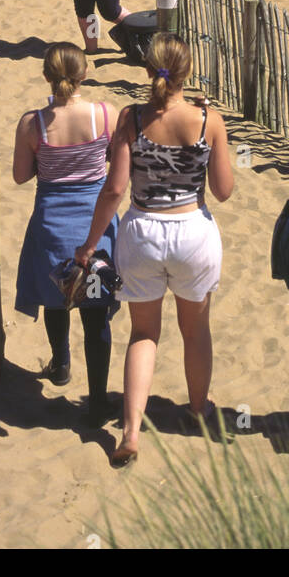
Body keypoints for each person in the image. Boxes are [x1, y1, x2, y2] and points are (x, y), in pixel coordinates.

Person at [74, 33, 234, 465]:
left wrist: (90, 245)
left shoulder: (131, 117)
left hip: (142, 230)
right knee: (195, 330)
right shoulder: (207, 120)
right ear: (186, 72)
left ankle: (129, 431)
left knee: (143, 334)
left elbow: (115, 189)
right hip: (192, 231)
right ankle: (198, 410)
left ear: (148, 71)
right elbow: (223, 190)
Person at [13, 44, 120, 426]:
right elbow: (113, 160)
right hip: (94, 228)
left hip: (51, 226)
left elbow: (21, 175)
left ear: (46, 76)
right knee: (96, 313)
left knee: (55, 300)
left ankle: (60, 365)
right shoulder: (105, 114)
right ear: (84, 75)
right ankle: (96, 400)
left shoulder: (32, 123)